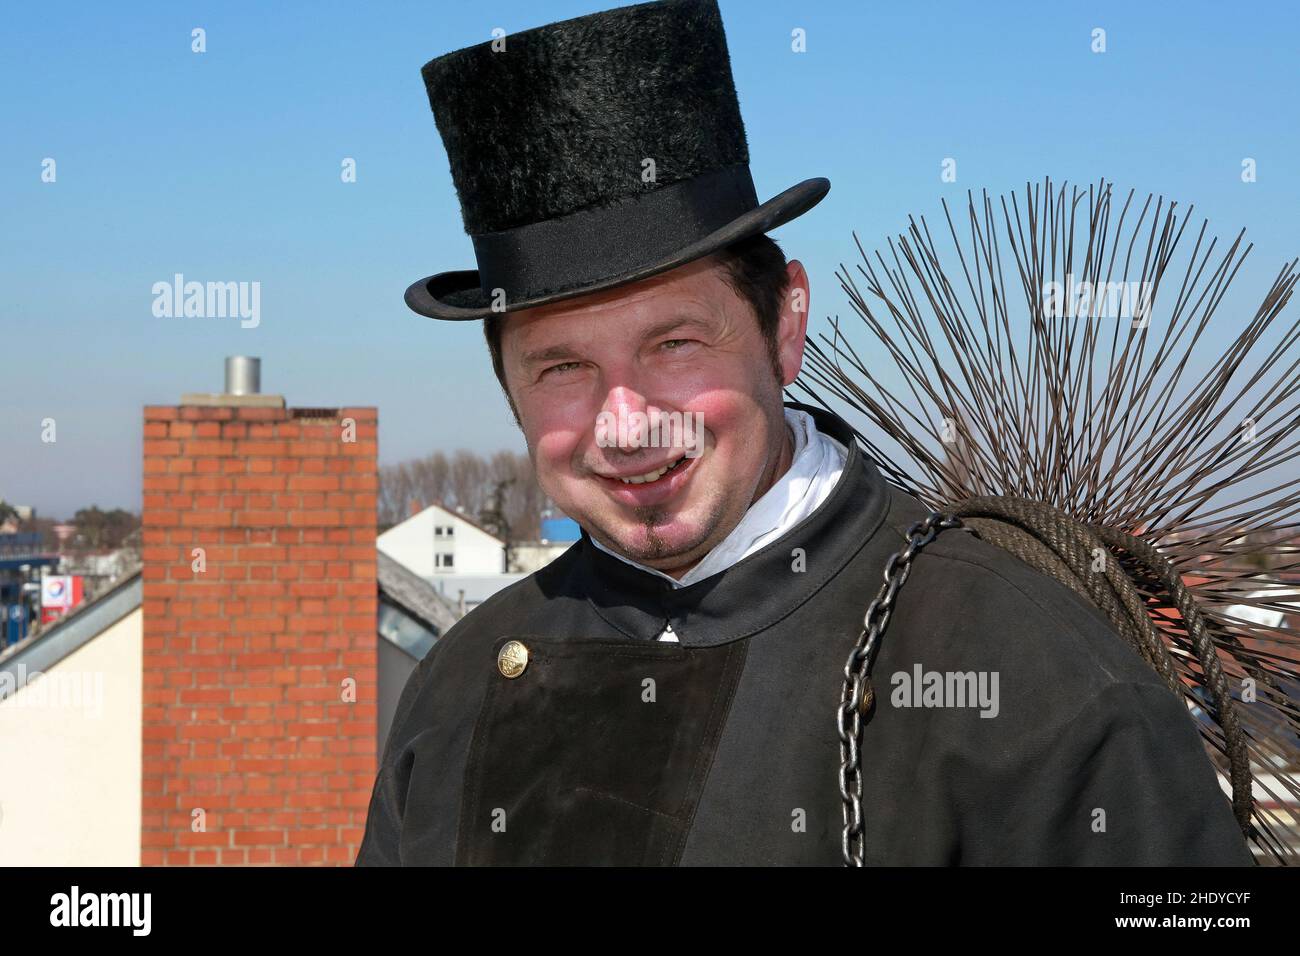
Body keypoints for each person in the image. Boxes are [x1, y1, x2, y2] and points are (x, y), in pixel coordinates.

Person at [356, 0, 1252, 865]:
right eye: (562, 368)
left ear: (785, 327)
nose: (624, 425)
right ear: (508, 386)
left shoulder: (1027, 667)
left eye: (674, 343)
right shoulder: (457, 684)